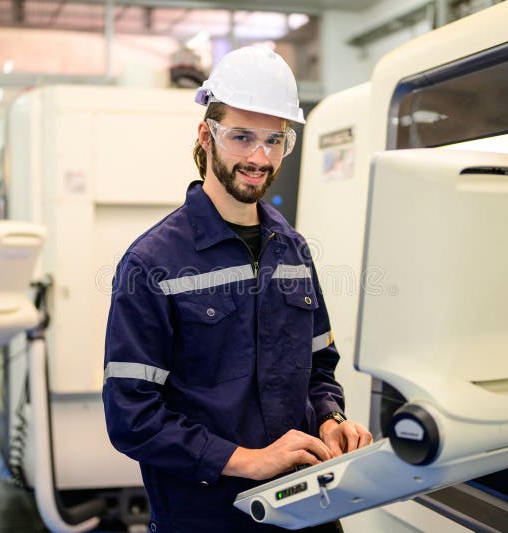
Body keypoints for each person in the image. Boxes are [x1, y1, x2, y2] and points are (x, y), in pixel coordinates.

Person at [103, 45, 373, 533]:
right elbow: (131, 415)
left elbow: (318, 370)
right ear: (206, 136)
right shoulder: (152, 263)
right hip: (209, 517)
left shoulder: (292, 249)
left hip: (306, 509)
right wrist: (247, 460)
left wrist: (331, 420)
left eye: (275, 140)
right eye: (242, 137)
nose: (259, 157)